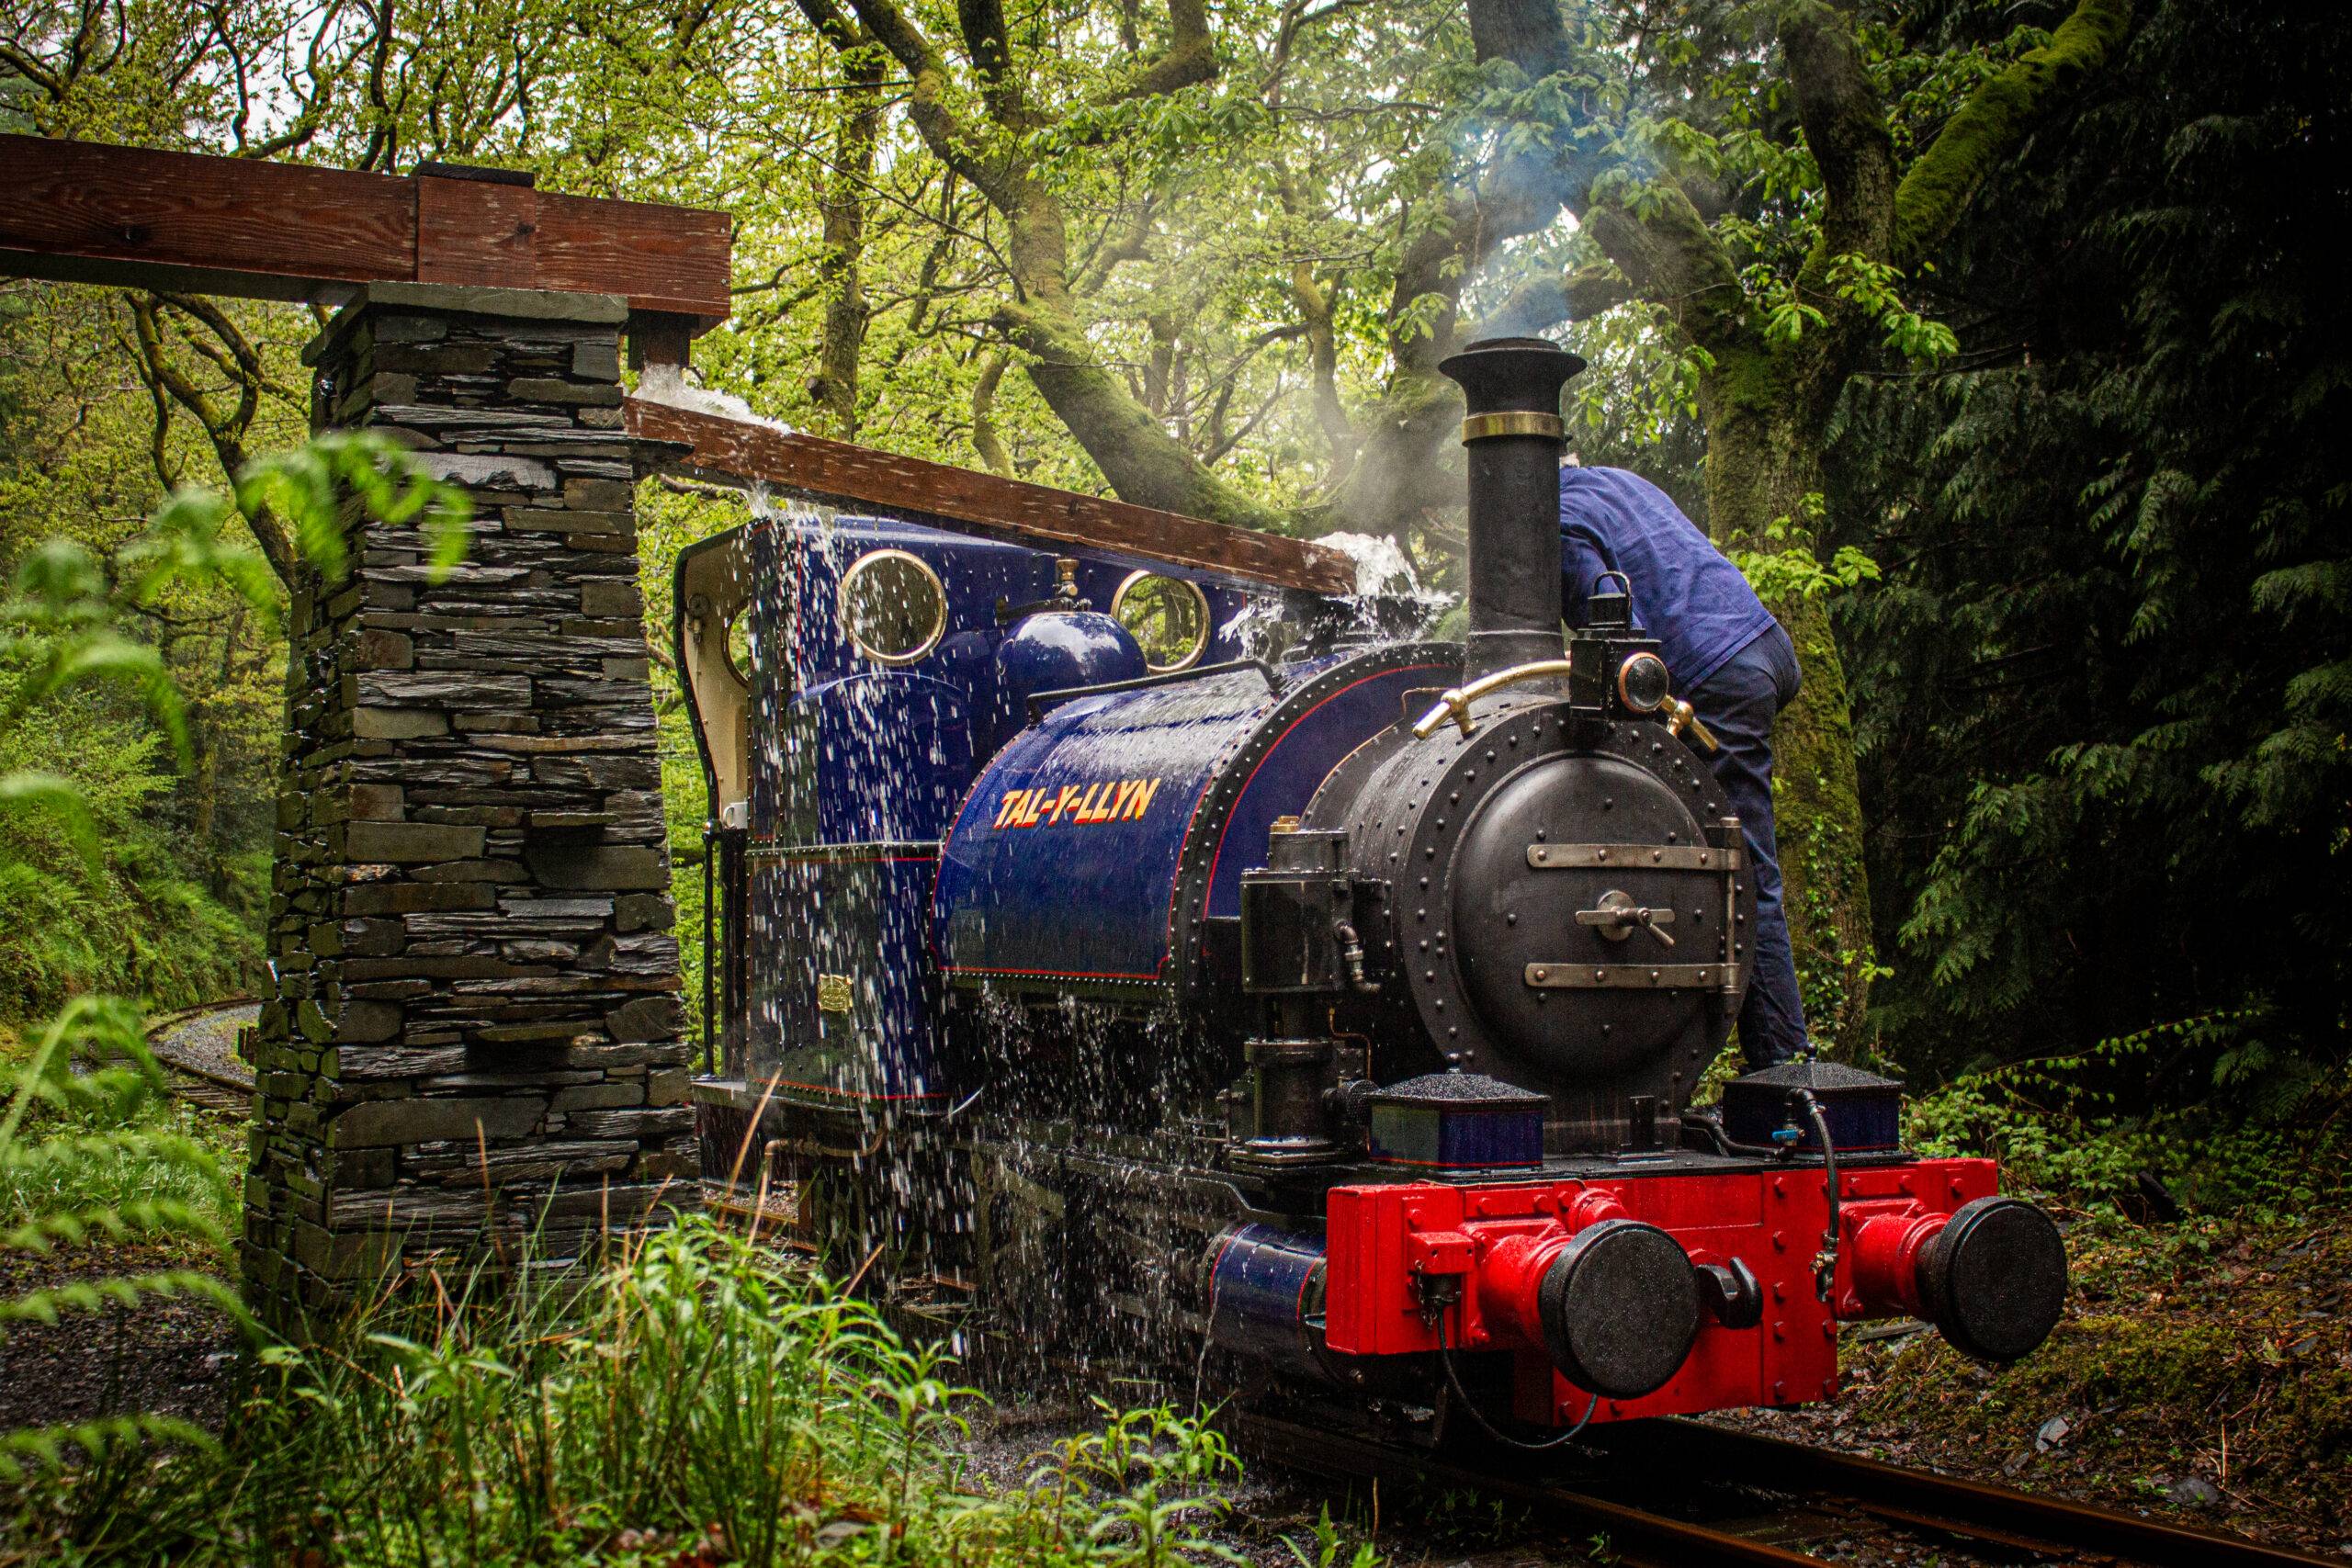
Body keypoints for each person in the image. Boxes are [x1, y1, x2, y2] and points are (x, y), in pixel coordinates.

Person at [1558, 464, 1808, 1070]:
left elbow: (1622, 640)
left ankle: (1783, 1068)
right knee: (1719, 856)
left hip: (1715, 667)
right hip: (1761, 641)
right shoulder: (1613, 480)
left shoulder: (1555, 522)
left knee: (1745, 873)